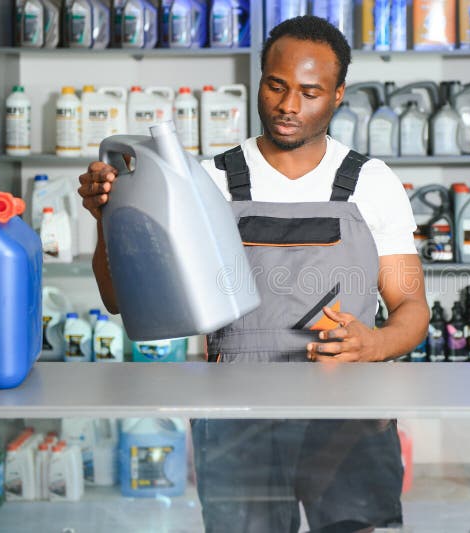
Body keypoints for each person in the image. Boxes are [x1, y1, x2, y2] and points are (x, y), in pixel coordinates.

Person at [77, 14, 429, 533]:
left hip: (348, 415)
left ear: (337, 96)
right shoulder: (209, 181)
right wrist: (107, 222)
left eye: (310, 92)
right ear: (260, 79)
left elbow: (412, 308)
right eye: (276, 85)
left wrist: (373, 346)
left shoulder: (371, 183)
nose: (289, 106)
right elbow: (119, 299)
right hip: (235, 418)